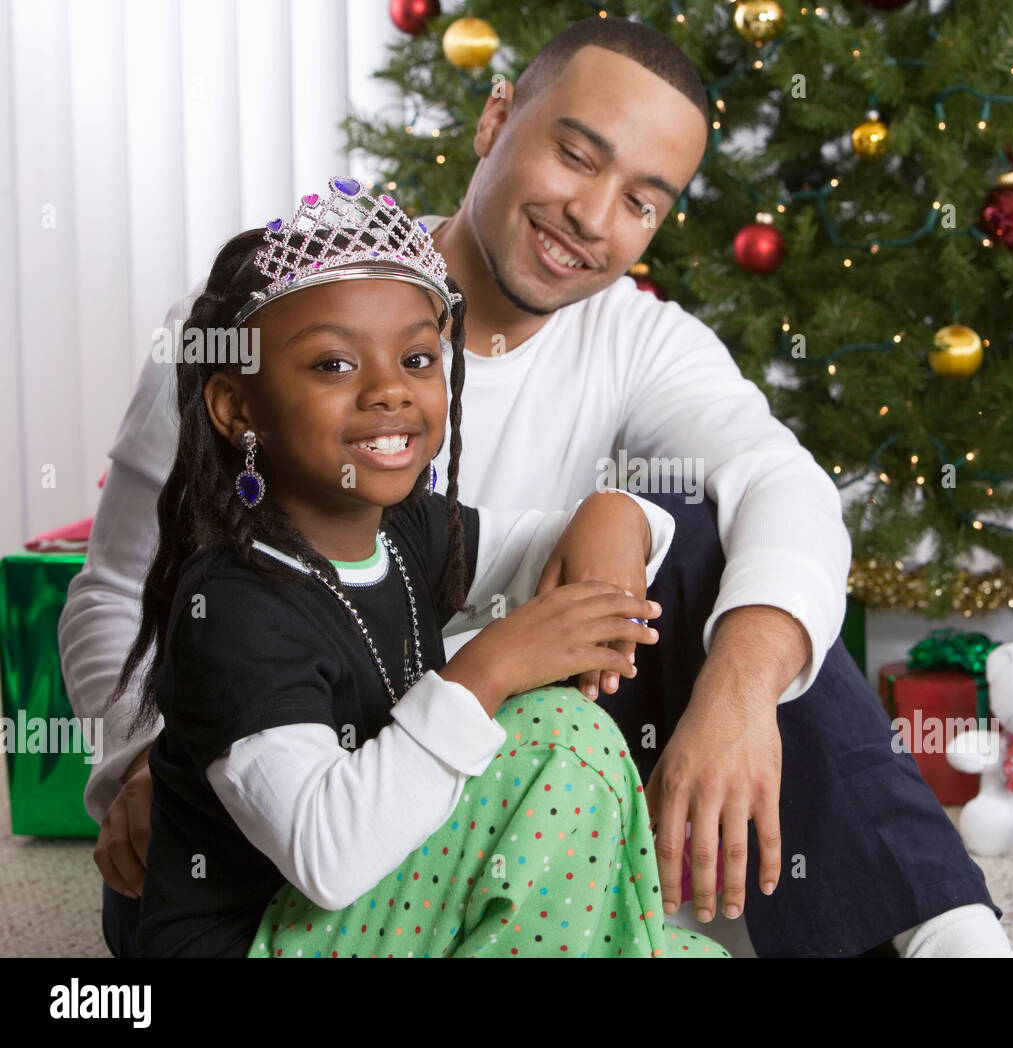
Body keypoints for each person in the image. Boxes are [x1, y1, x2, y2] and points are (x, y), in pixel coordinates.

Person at [60, 17, 1008, 958]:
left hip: (485, 775)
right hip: (263, 833)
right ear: (495, 117)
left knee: (709, 538)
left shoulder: (638, 341)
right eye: (576, 155)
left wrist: (720, 665)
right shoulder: (271, 320)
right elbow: (114, 591)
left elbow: (779, 481)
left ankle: (944, 932)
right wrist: (147, 756)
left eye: (642, 200)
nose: (594, 217)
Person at [111, 179, 724, 957]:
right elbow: (327, 857)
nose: (389, 390)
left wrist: (614, 513)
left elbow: (548, 542)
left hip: (387, 914)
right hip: (270, 936)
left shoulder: (406, 531)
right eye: (333, 365)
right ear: (237, 409)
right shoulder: (234, 608)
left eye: (417, 357)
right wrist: (489, 669)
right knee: (557, 740)